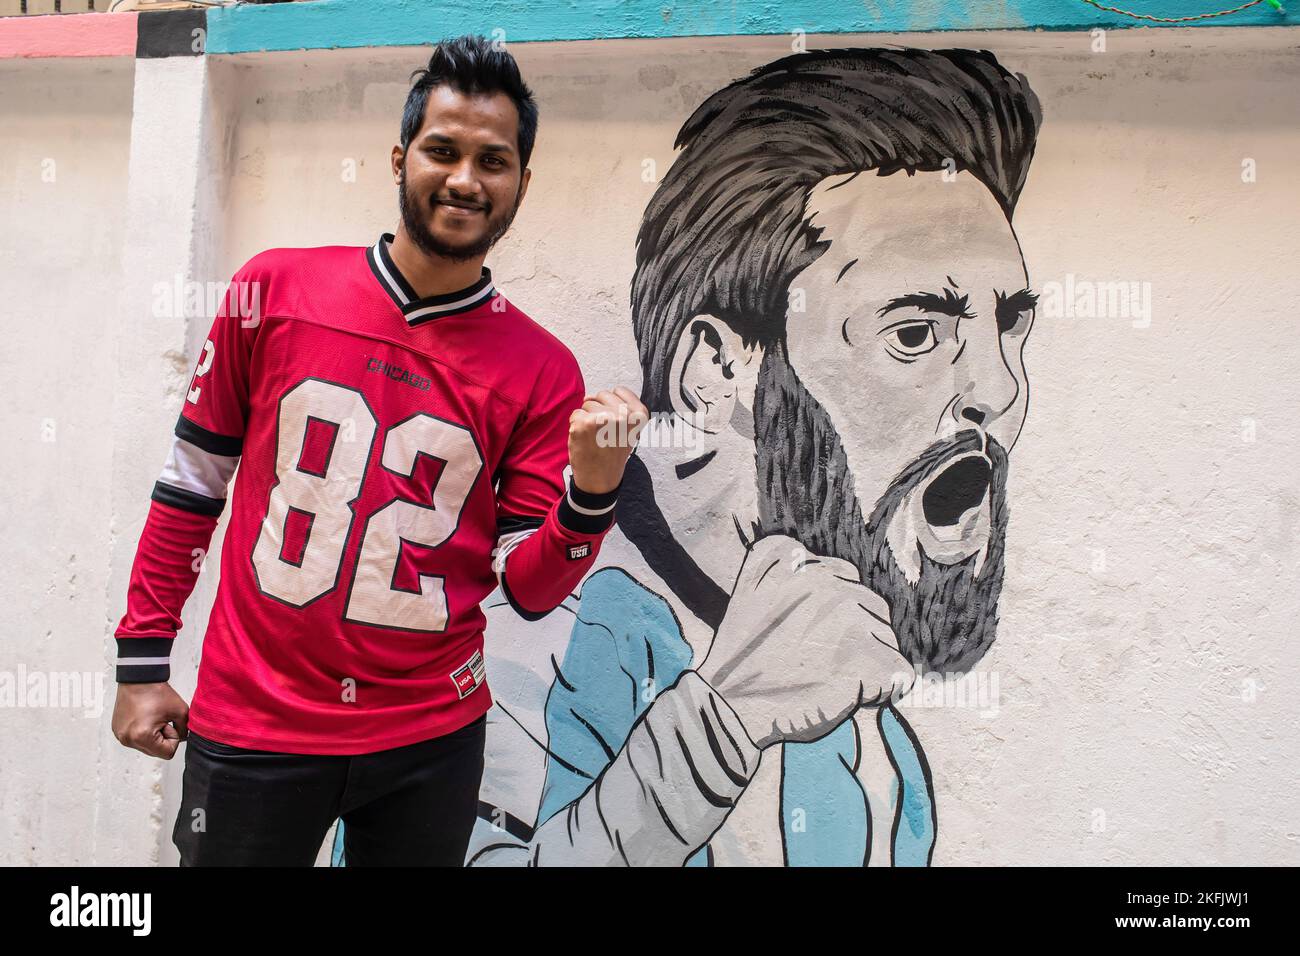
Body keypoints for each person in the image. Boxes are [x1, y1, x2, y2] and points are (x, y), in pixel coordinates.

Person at [469, 47, 1041, 866]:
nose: (997, 391)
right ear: (718, 371)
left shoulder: (878, 747)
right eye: (914, 335)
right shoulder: (542, 636)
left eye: (1009, 327)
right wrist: (723, 720)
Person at [110, 34, 647, 867]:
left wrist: (593, 493)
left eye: (493, 161)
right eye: (443, 150)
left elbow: (532, 591)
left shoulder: (542, 370)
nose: (465, 179)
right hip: (257, 718)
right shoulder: (273, 290)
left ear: (522, 184)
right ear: (400, 157)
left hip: (429, 737)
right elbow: (191, 488)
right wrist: (141, 660)